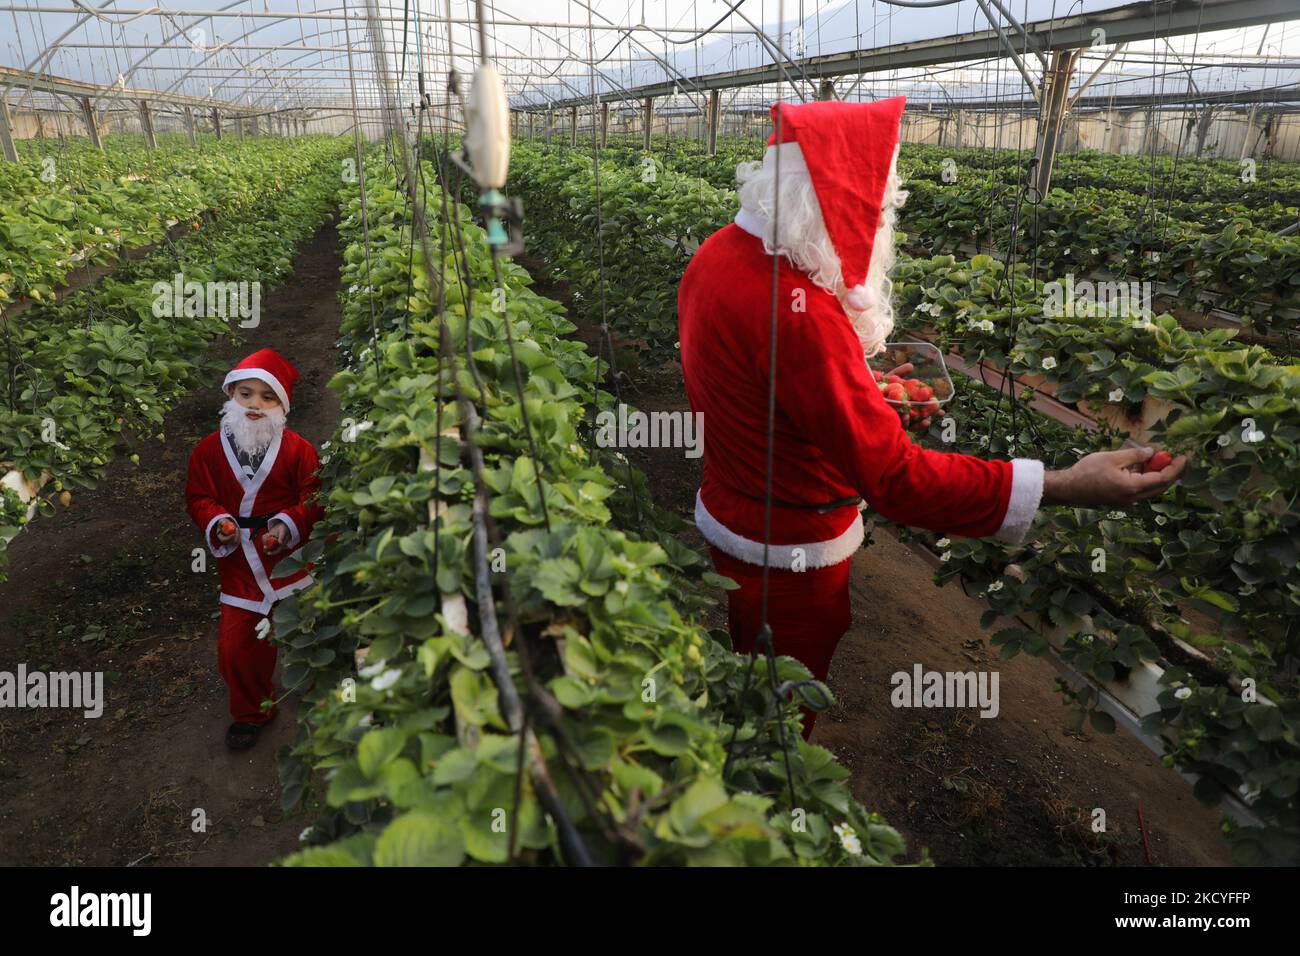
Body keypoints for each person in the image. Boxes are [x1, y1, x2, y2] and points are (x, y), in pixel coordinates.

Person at [676, 97, 1186, 739]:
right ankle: (771, 813)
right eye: (875, 205)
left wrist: (852, 400)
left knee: (752, 669)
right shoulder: (798, 315)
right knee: (781, 716)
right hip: (790, 551)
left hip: (736, 512)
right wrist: (1063, 483)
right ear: (831, 202)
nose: (879, 222)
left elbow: (762, 389)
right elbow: (898, 480)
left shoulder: (721, 254)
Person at [185, 348, 325, 750]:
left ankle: (319, 697)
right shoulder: (208, 451)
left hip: (290, 562)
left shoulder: (299, 449)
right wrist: (219, 523)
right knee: (235, 648)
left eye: (268, 398)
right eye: (245, 394)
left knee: (308, 633)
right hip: (241, 566)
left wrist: (286, 525)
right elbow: (198, 497)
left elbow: (314, 496)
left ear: (283, 406)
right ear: (231, 395)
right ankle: (252, 712)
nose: (255, 405)